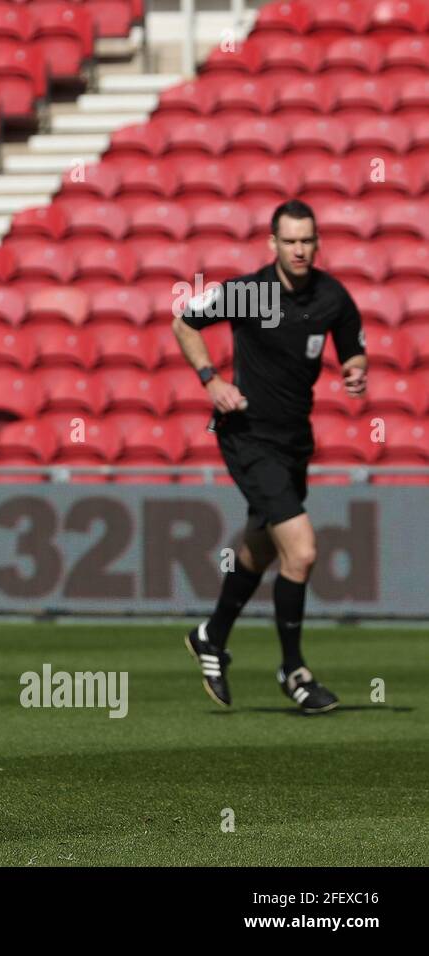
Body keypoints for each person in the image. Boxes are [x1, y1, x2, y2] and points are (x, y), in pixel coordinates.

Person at [172, 199, 367, 713]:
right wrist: (211, 380)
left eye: (307, 240)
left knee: (260, 548)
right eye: (290, 241)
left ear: (317, 243)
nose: (299, 249)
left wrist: (355, 369)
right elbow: (185, 324)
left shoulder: (331, 296)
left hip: (293, 441)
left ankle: (211, 635)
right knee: (300, 550)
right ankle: (294, 671)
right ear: (272, 244)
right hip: (247, 434)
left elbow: (352, 346)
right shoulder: (251, 292)